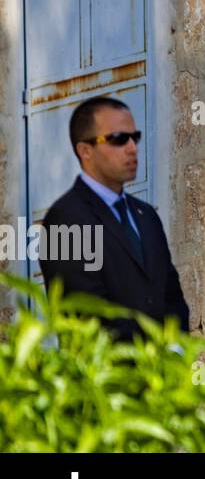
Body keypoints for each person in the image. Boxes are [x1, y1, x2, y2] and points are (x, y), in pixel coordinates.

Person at [40, 96, 190, 341]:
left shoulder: (146, 215)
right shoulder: (65, 220)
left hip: (164, 374)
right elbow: (83, 316)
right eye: (119, 139)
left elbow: (172, 297)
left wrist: (174, 351)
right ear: (85, 151)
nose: (132, 148)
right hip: (108, 375)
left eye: (135, 137)